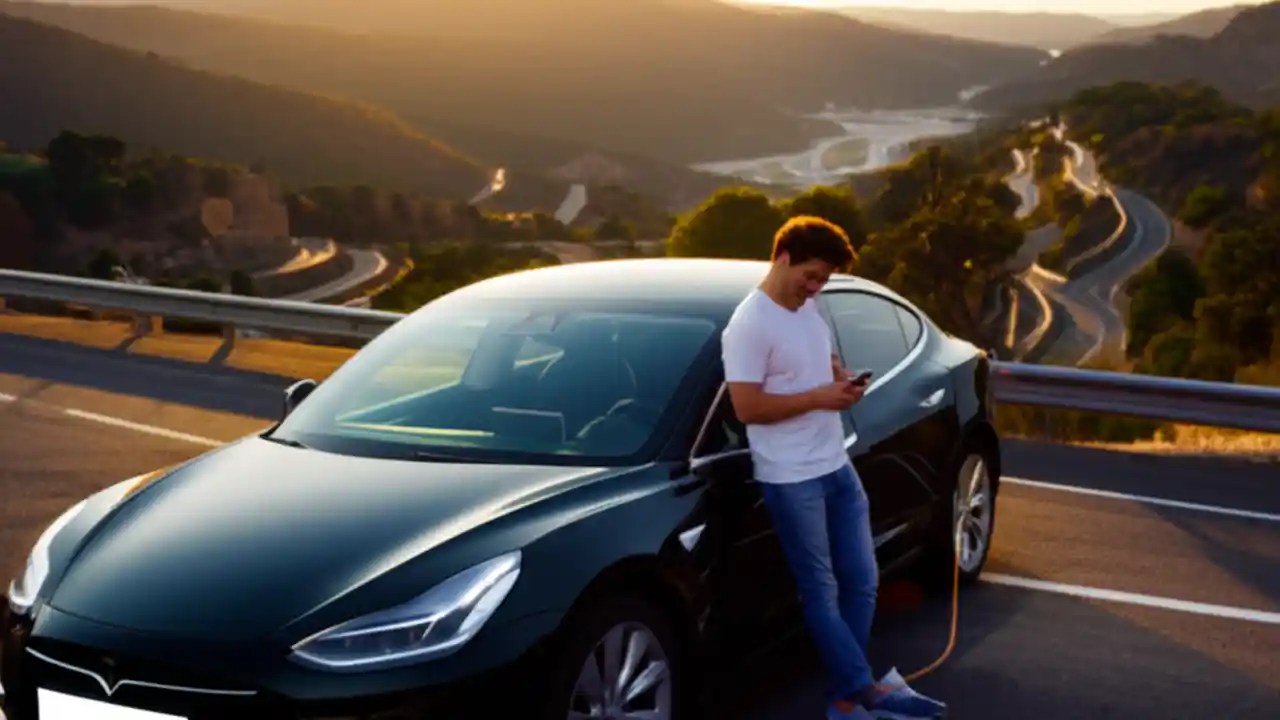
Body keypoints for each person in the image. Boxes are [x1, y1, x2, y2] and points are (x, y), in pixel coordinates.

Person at [720, 216, 948, 720]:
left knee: (863, 579)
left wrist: (840, 378)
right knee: (820, 590)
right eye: (812, 276)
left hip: (835, 465)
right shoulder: (749, 325)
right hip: (789, 477)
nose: (816, 287)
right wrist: (821, 398)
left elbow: (820, 358)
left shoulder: (809, 306)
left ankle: (850, 690)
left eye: (824, 279)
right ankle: (859, 695)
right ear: (783, 258)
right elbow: (747, 408)